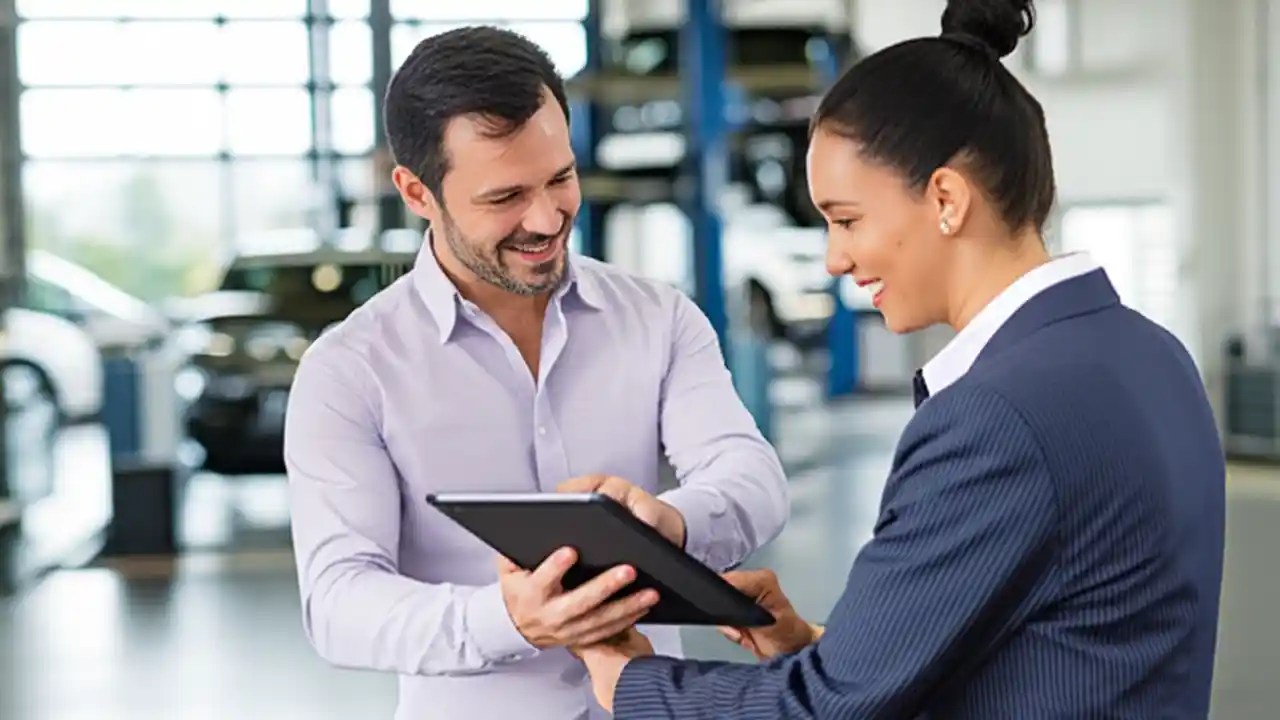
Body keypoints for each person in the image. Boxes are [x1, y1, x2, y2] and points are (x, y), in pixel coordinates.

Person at [575, 1, 1227, 717]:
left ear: (946, 198)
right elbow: (1066, 641)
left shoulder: (996, 416)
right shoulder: (1152, 354)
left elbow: (824, 711)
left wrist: (629, 679)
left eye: (847, 219)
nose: (834, 257)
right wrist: (822, 647)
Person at [283, 26, 789, 720]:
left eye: (561, 178)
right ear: (416, 192)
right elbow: (339, 601)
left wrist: (669, 521)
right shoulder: (349, 371)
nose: (547, 217)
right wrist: (508, 620)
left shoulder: (657, 317)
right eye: (505, 198)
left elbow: (751, 475)